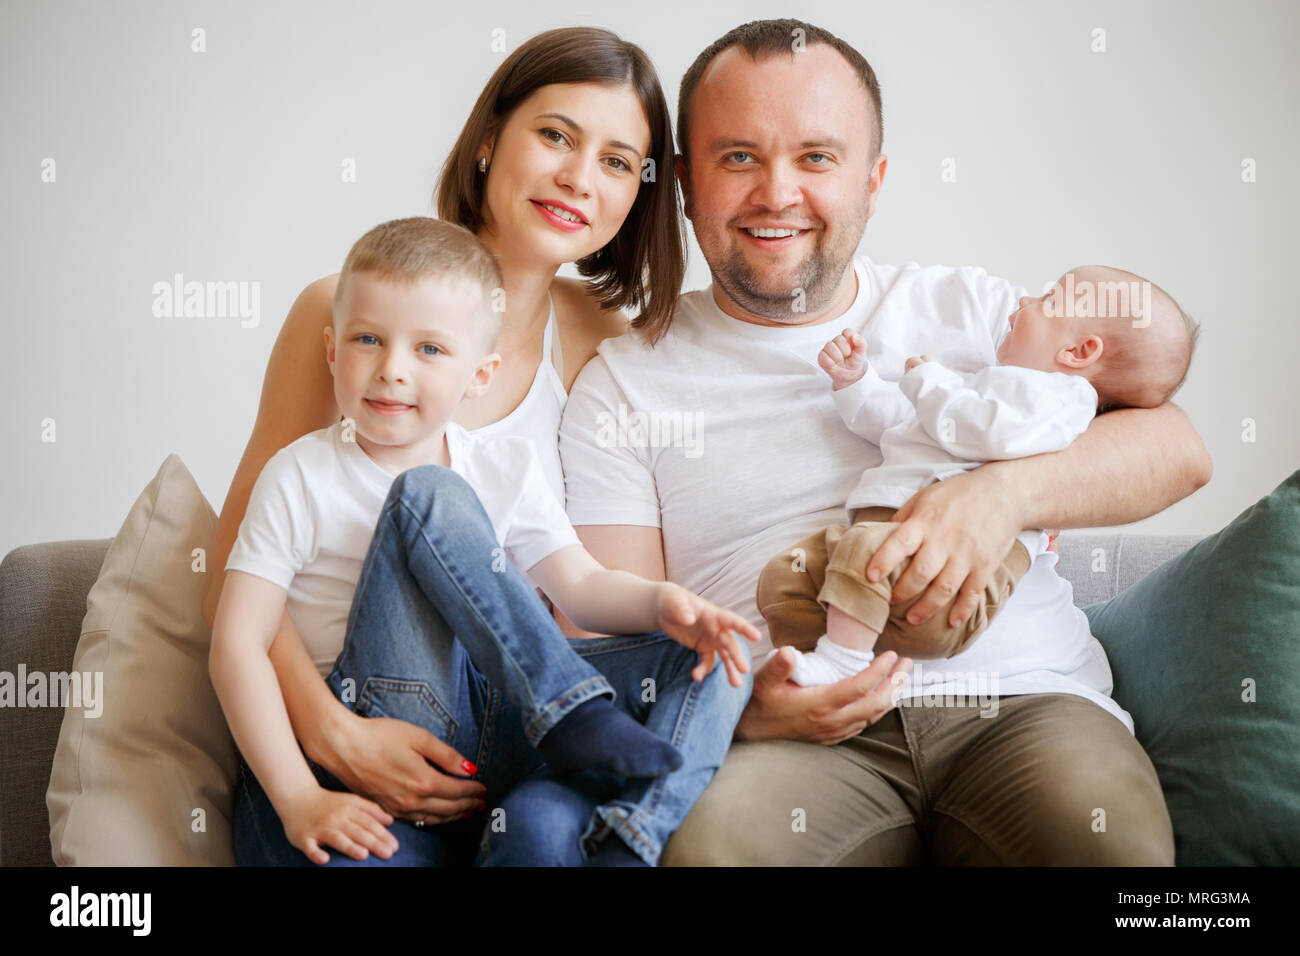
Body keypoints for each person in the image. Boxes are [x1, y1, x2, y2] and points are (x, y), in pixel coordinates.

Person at [541, 19, 1211, 866]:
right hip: (795, 737)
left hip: (1026, 702)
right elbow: (612, 640)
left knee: (1113, 859)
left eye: (817, 158)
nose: (777, 193)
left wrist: (999, 495)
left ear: (874, 178)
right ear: (683, 180)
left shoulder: (981, 313)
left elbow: (1178, 449)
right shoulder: (625, 384)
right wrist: (741, 709)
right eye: (738, 156)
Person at [199, 27, 735, 866]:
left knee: (714, 657)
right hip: (351, 713)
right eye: (555, 135)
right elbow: (229, 591)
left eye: (617, 162)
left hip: (493, 726)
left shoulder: (605, 342)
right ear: (489, 141)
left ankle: (626, 819)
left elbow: (581, 584)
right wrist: (333, 736)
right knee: (434, 498)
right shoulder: (345, 311)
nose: (577, 177)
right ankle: (564, 724)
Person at [759, 264, 1200, 685]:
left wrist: (931, 381)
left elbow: (986, 432)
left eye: (1048, 300)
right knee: (784, 580)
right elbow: (902, 424)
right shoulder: (993, 386)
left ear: (1079, 351)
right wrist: (857, 382)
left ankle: (842, 661)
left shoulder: (1061, 400)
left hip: (952, 571)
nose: (1025, 298)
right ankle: (838, 654)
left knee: (862, 558)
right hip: (891, 541)